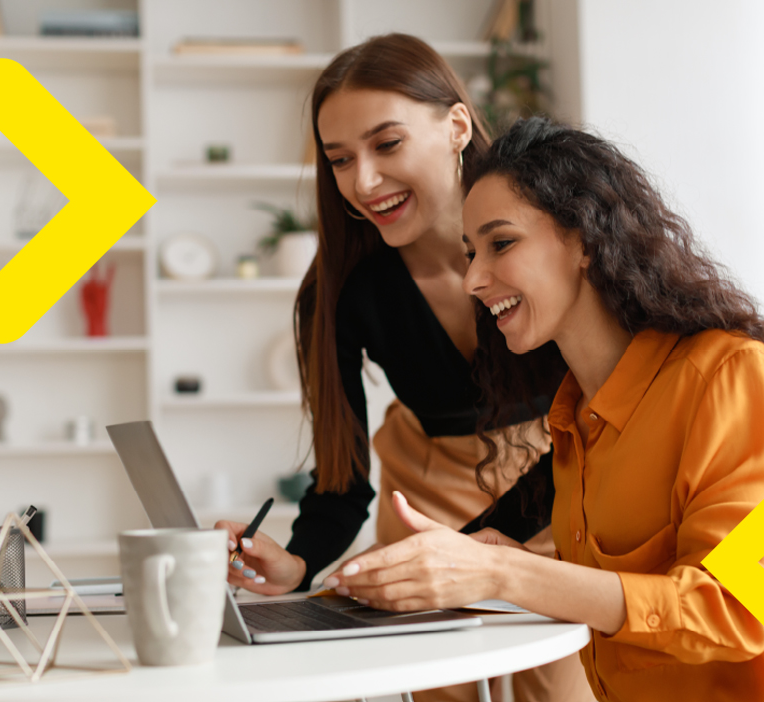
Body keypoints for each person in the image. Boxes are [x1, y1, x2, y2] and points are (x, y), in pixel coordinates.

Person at [330, 117, 764, 702]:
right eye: (471, 252)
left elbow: (738, 610)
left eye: (501, 244)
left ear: (584, 240)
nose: (474, 277)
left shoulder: (728, 376)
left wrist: (508, 573)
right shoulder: (575, 420)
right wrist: (490, 558)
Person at [212, 37, 590, 702]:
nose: (362, 182)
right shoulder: (341, 294)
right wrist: (297, 566)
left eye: (387, 145)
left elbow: (609, 418)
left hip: (571, 477)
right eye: (339, 160)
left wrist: (472, 553)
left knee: (563, 685)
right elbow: (342, 480)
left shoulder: (557, 237)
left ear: (456, 126)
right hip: (431, 497)